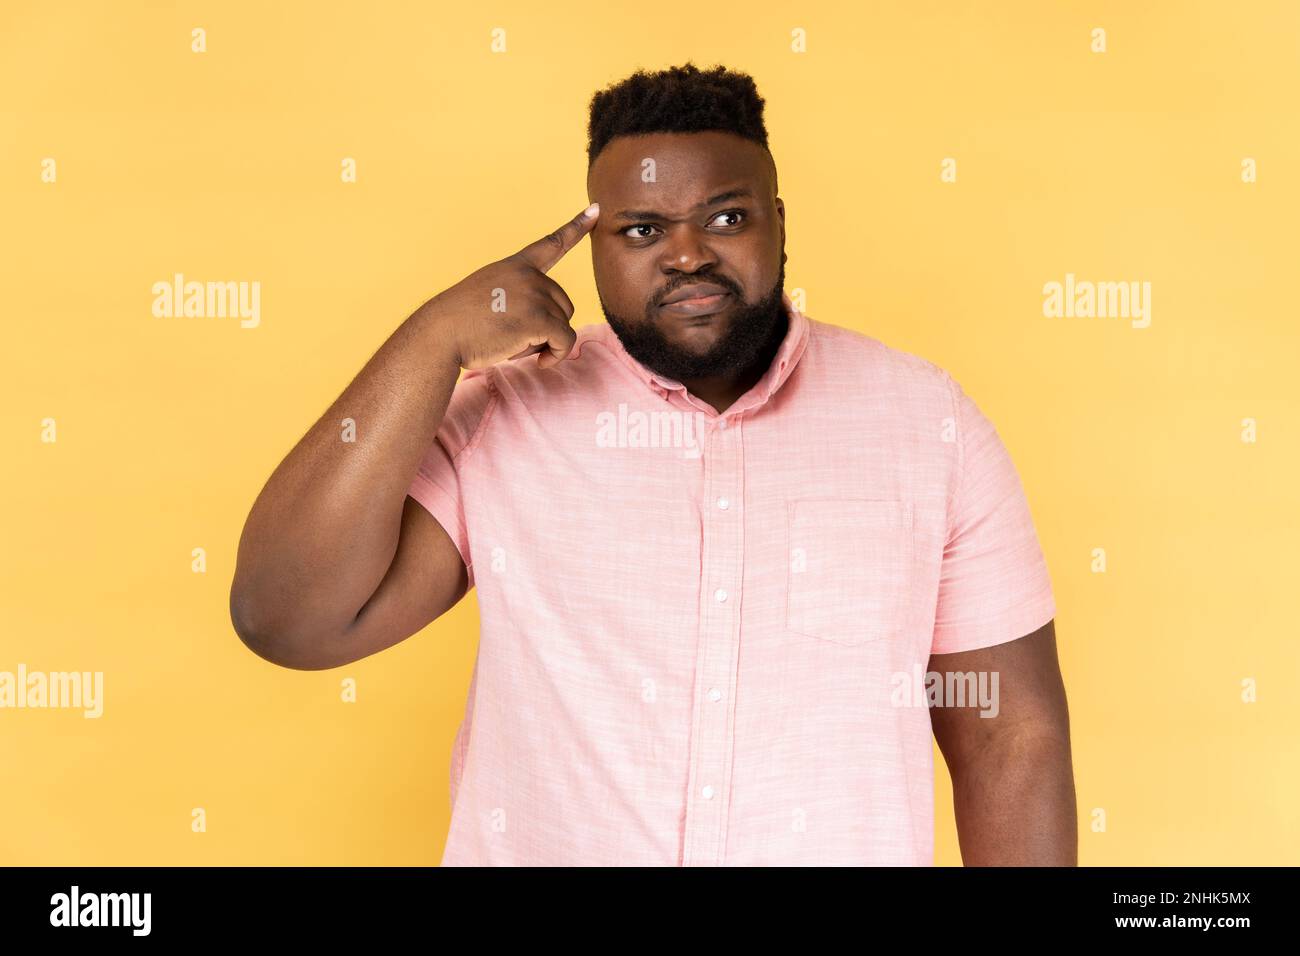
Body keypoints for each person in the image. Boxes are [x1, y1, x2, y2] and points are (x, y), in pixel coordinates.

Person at [230, 62, 1075, 866]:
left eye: (725, 218)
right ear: (595, 249)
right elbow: (288, 620)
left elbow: (1008, 734)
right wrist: (434, 340)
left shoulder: (929, 424)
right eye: (641, 229)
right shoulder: (506, 412)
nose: (687, 256)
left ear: (779, 221)